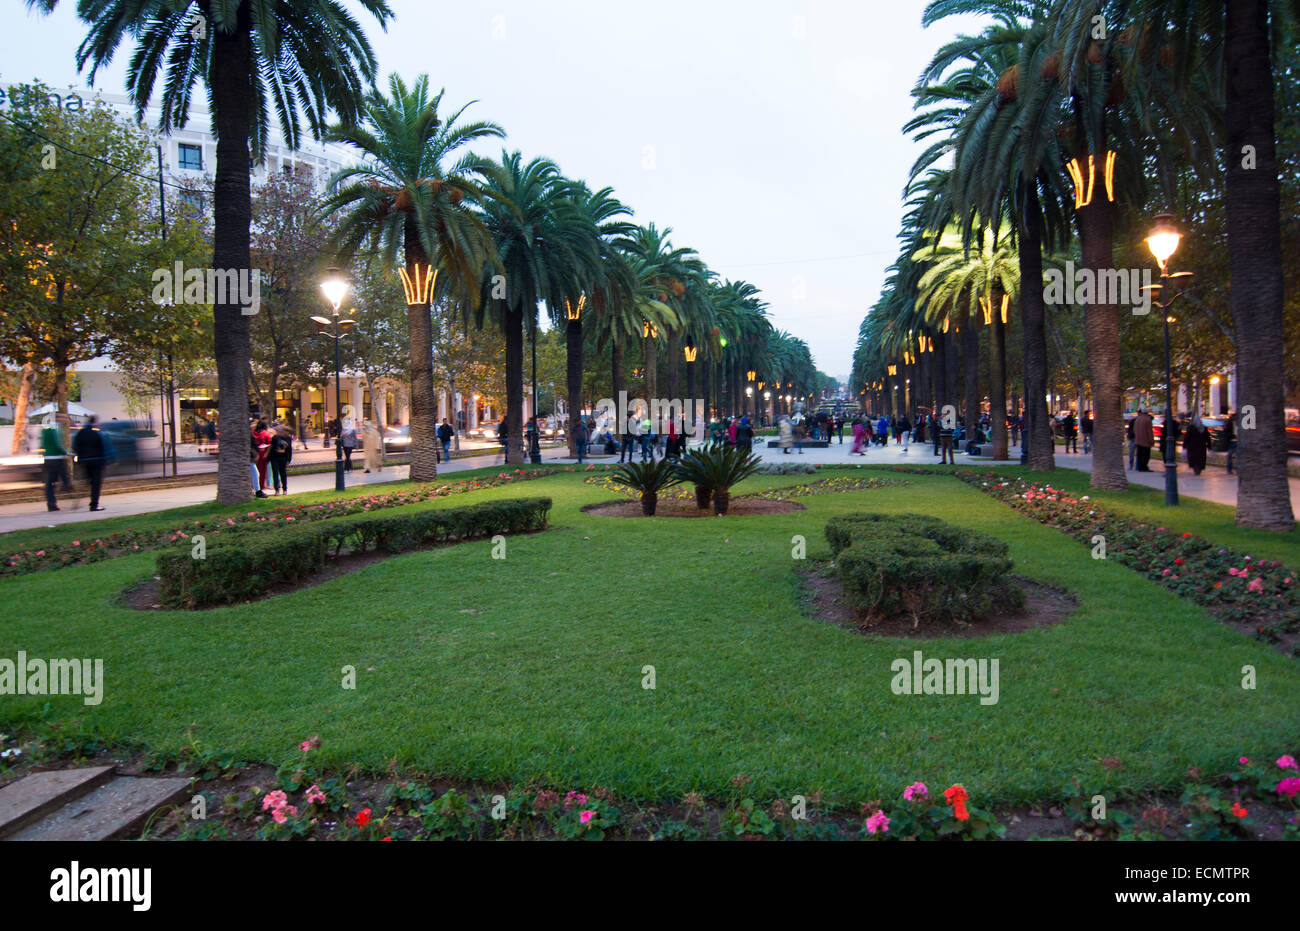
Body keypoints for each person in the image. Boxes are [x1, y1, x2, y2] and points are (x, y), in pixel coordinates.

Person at [72, 416, 115, 511]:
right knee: (96, 483)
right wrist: (109, 460)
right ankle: (94, 505)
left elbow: (75, 447)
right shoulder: (97, 432)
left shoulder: (80, 433)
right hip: (97, 460)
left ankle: (78, 500)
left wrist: (79, 460)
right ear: (95, 422)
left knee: (87, 481)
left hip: (84, 461)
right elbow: (104, 446)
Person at [41, 421, 75, 511]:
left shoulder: (44, 430)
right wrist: (66, 452)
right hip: (57, 458)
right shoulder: (55, 429)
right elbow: (57, 444)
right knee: (65, 477)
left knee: (50, 483)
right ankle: (66, 487)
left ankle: (51, 504)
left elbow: (42, 445)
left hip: (48, 459)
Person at [269, 423, 295, 491]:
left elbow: (289, 450)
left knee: (283, 473)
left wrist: (288, 459)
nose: (285, 434)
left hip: (283, 457)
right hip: (274, 457)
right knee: (275, 473)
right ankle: (277, 489)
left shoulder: (288, 438)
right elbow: (271, 447)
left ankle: (285, 489)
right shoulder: (275, 437)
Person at [252, 420, 273, 491]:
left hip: (253, 453)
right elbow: (270, 443)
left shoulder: (252, 433)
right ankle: (261, 486)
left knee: (253, 470)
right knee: (262, 471)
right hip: (262, 453)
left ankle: (253, 486)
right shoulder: (266, 433)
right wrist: (267, 453)